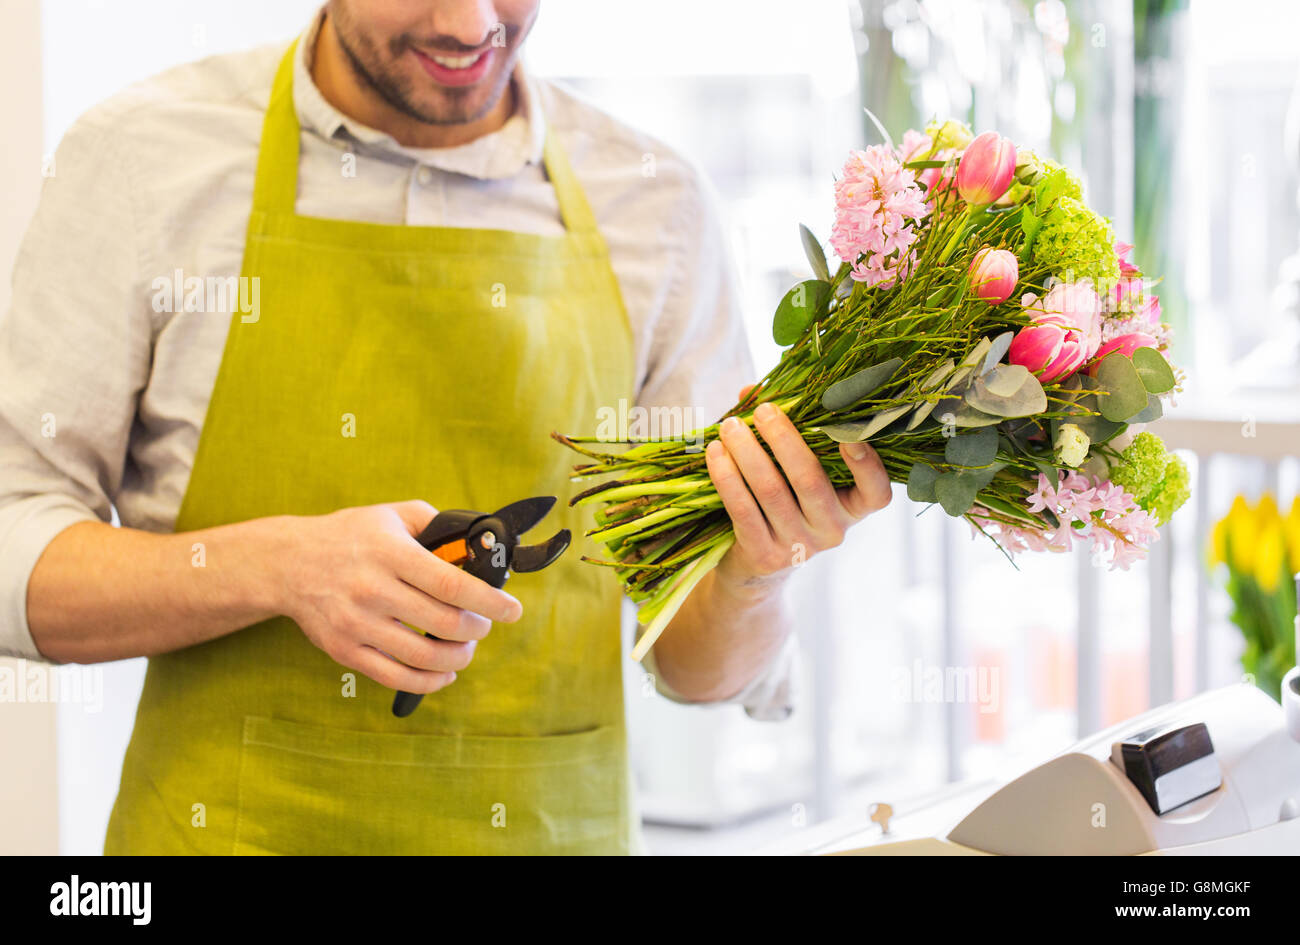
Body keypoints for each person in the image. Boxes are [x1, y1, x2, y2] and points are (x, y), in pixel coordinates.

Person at [0, 1, 892, 854]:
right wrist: (279, 568)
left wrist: (753, 574)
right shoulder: (144, 160)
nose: (471, 26)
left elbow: (699, 669)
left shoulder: (657, 207)